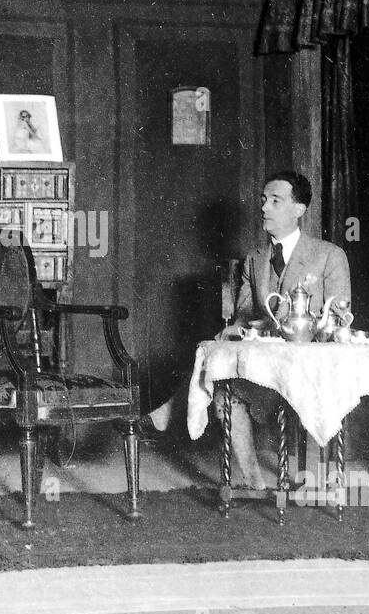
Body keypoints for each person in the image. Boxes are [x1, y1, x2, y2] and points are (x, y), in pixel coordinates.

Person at [143, 172, 351, 488]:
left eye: (275, 201)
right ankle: (255, 481)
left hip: (310, 371)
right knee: (221, 380)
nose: (265, 208)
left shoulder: (329, 256)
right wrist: (232, 331)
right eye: (264, 200)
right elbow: (242, 315)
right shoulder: (254, 260)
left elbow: (340, 315)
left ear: (299, 209)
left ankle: (169, 408)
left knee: (218, 370)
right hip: (267, 370)